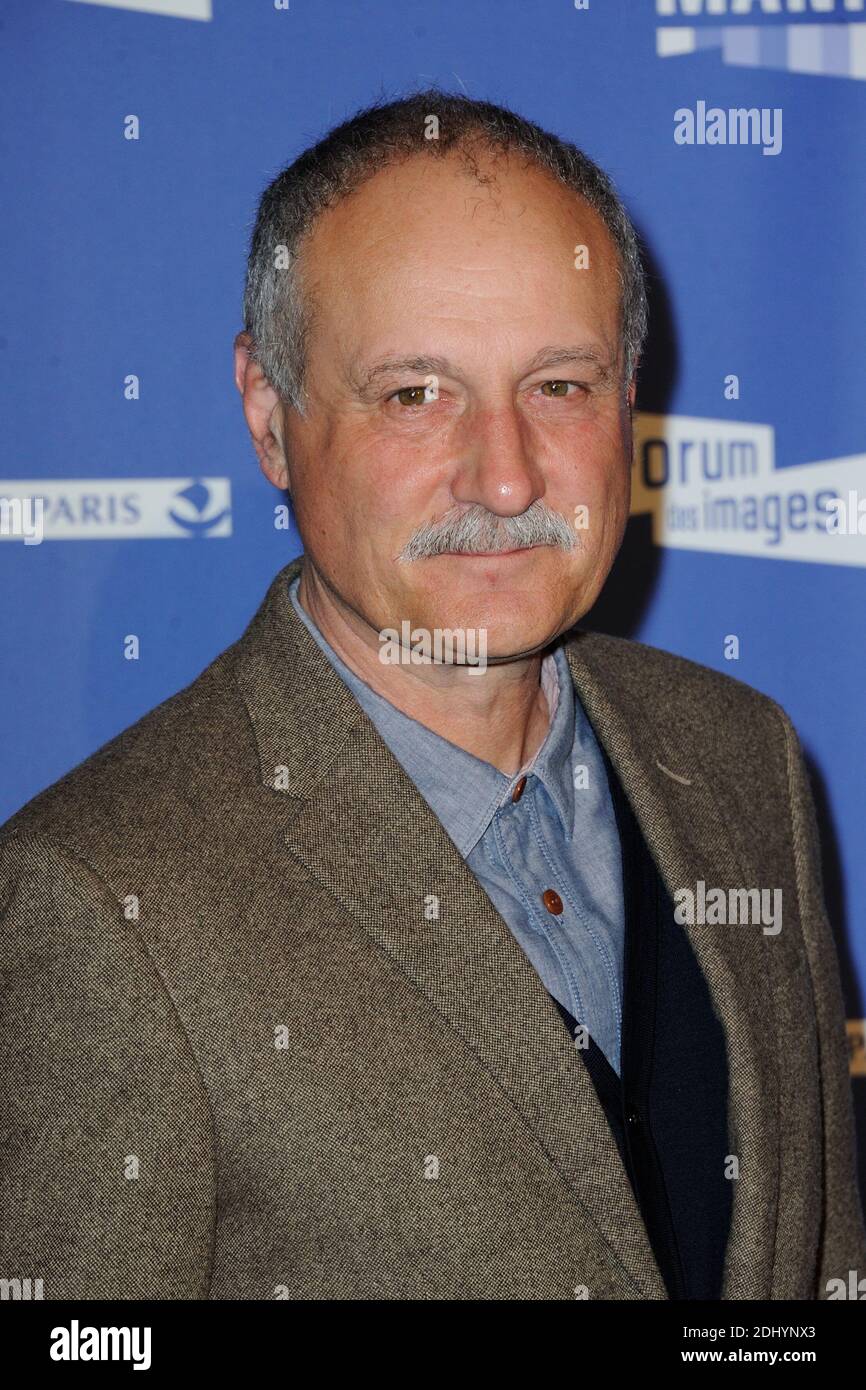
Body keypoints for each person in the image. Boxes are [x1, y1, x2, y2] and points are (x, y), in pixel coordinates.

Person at [1, 90, 863, 1300]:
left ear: (629, 398)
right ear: (268, 415)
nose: (506, 476)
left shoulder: (736, 758)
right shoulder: (98, 903)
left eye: (558, 385)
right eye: (415, 393)